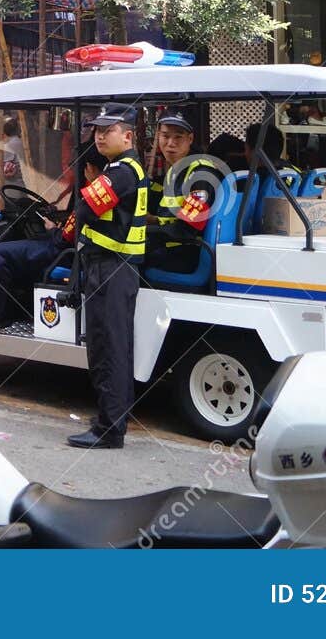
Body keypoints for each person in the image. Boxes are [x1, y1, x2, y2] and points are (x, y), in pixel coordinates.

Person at [67, 103, 149, 450]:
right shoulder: (118, 169)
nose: (99, 135)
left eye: (108, 130)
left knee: (108, 347)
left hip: (112, 268)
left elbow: (86, 208)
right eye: (97, 130)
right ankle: (113, 419)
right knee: (114, 345)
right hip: (113, 267)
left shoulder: (121, 173)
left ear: (127, 135)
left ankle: (109, 429)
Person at [0, 148, 101, 333]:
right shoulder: (102, 192)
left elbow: (63, 238)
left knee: (0, 252)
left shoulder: (91, 195)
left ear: (89, 168)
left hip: (65, 251)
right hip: (78, 250)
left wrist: (52, 229)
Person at [146, 108, 218, 276]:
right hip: (171, 247)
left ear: (190, 139)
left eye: (178, 136)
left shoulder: (200, 174)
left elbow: (186, 230)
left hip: (187, 253)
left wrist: (144, 230)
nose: (170, 143)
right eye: (165, 136)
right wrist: (154, 220)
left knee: (118, 259)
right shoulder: (176, 170)